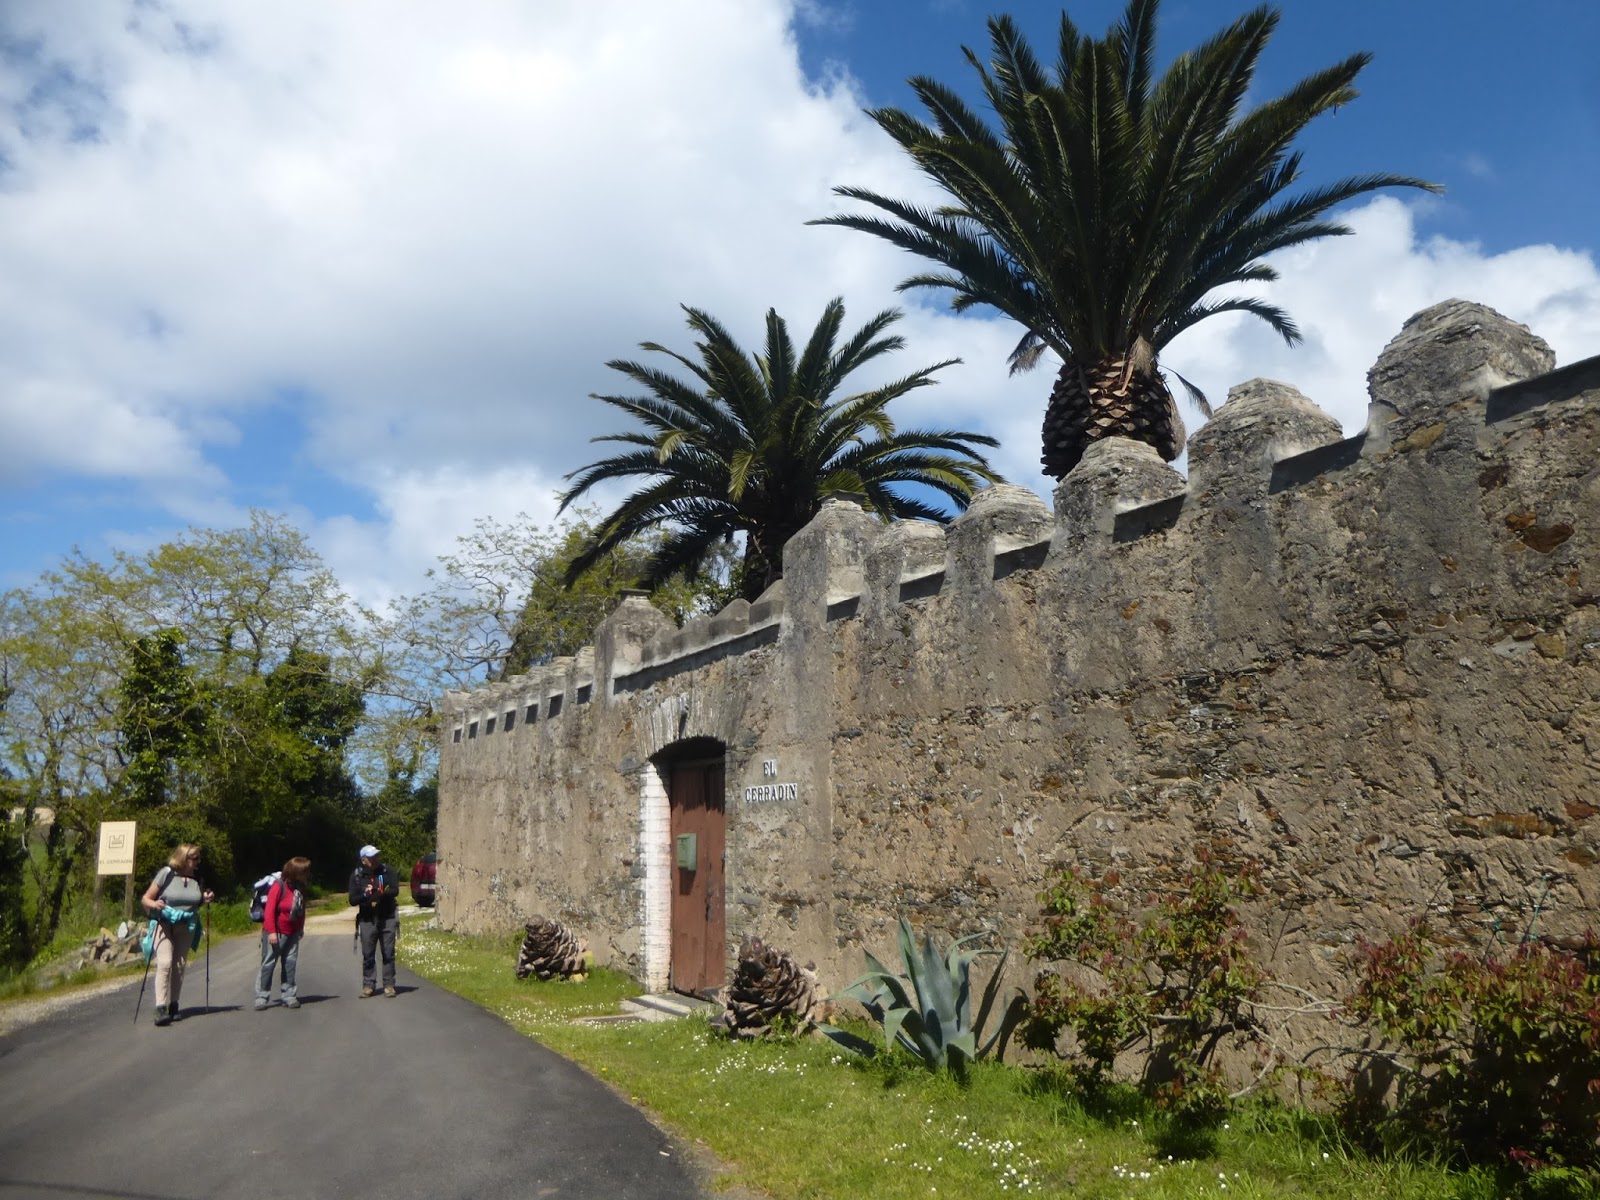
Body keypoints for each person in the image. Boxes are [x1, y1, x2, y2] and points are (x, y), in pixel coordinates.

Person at [140, 843, 214, 1026]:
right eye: (194, 858)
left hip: (186, 926)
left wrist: (204, 900)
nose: (198, 862)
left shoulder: (197, 879)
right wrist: (154, 905)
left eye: (198, 858)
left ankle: (174, 1005)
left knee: (179, 965)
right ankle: (160, 1009)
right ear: (183, 858)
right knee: (165, 963)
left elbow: (194, 903)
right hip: (163, 924)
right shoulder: (167, 874)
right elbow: (146, 898)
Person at [255, 856, 310, 1011]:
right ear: (295, 872)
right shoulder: (279, 886)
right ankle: (261, 996)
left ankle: (289, 995)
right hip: (276, 932)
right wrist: (272, 932)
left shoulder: (300, 887)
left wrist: (301, 927)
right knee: (268, 963)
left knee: (290, 963)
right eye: (304, 871)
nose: (307, 874)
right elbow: (269, 911)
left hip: (293, 932)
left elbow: (301, 909)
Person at [348, 844, 399, 998]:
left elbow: (395, 890)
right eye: (371, 857)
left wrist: (382, 894)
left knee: (388, 952)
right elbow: (352, 900)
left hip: (387, 916)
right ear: (364, 860)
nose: (375, 859)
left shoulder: (386, 870)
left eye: (376, 856)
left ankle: (389, 985)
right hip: (367, 919)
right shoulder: (357, 876)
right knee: (368, 953)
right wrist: (366, 895)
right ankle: (368, 985)